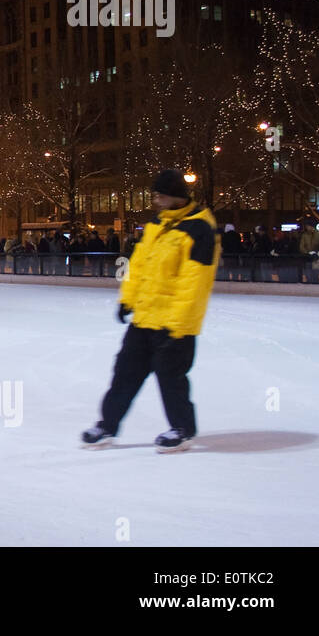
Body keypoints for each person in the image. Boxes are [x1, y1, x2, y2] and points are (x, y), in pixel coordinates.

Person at [82, 169, 218, 453]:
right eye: (155, 194)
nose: (156, 199)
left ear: (177, 196)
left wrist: (178, 326)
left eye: (161, 194)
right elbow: (138, 267)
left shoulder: (199, 229)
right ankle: (107, 426)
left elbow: (194, 283)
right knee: (124, 374)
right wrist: (127, 300)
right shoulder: (156, 225)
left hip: (174, 324)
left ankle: (182, 430)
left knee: (171, 379)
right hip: (144, 319)